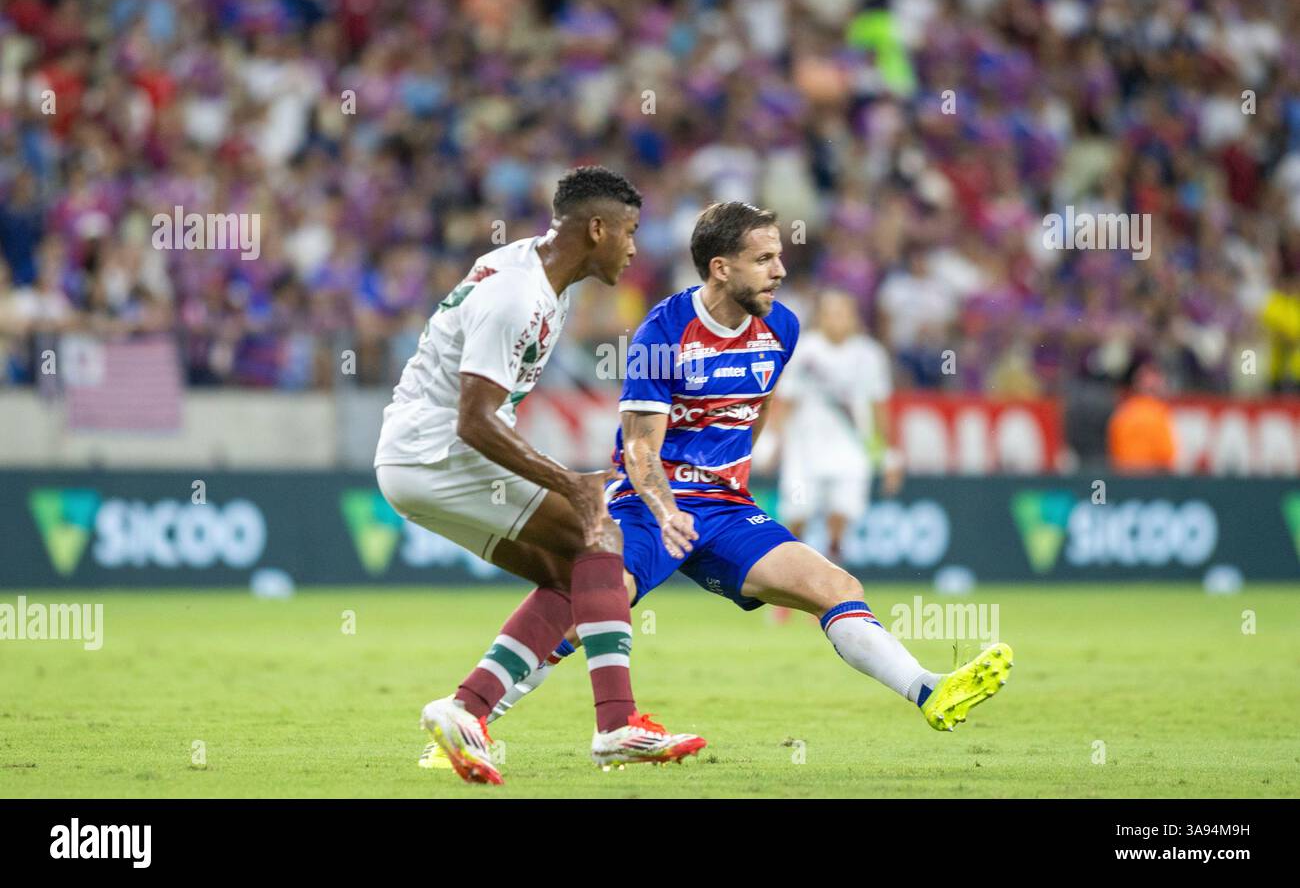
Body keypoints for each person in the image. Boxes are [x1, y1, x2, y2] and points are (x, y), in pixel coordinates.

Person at [439, 202, 1013, 754]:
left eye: (779, 257)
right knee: (593, 600)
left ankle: (930, 691)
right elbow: (640, 447)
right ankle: (471, 718)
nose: (780, 271)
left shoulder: (780, 328)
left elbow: (758, 404)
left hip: (725, 507)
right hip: (650, 503)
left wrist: (736, 472)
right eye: (764, 259)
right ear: (721, 268)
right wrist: (666, 511)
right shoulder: (663, 333)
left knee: (837, 589)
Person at [374, 166, 704, 785]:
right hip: (436, 450)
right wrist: (569, 483)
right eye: (630, 231)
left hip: (413, 459)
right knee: (596, 531)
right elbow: (474, 421)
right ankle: (616, 727)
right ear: (597, 228)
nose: (635, 247)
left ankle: (465, 710)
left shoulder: (540, 277)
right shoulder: (518, 297)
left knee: (570, 577)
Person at [771, 287, 903, 564]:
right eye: (830, 314)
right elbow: (786, 398)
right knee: (797, 516)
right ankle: (787, 583)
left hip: (851, 448)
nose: (836, 320)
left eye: (842, 314)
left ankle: (826, 587)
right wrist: (772, 441)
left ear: (853, 318)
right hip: (805, 448)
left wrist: (890, 454)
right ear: (820, 317)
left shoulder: (869, 355)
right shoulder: (804, 350)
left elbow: (879, 406)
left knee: (840, 516)